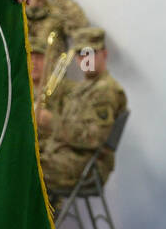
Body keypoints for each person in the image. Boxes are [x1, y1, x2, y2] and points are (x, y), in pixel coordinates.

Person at [38, 27, 127, 196]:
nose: (86, 59)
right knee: (15, 154)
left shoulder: (105, 91)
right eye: (80, 54)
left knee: (20, 167)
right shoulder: (83, 88)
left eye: (91, 53)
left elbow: (93, 138)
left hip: (84, 166)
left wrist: (52, 122)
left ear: (104, 54)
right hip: (65, 156)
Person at [23, 0, 87, 81]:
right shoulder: (14, 16)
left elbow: (82, 27)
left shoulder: (58, 14)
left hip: (53, 86)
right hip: (19, 85)